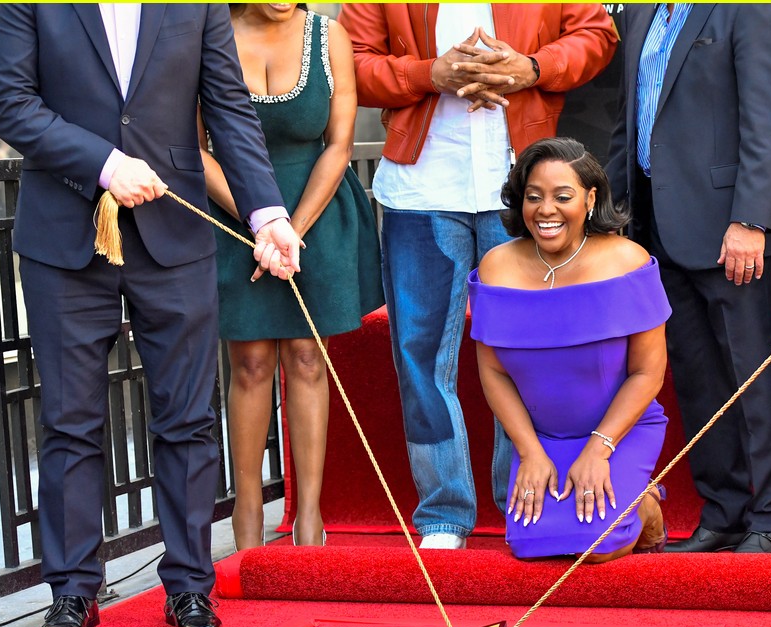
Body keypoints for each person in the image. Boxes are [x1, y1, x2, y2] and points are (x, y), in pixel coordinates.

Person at [0, 4, 303, 627]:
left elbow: (229, 110)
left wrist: (266, 214)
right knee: (69, 419)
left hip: (176, 238)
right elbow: (10, 103)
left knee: (185, 416)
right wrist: (103, 163)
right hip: (64, 237)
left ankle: (189, 584)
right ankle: (73, 589)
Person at [339, 3, 618, 551]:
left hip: (521, 192)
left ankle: (523, 497)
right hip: (419, 191)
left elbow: (596, 33)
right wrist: (429, 74)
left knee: (529, 354)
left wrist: (532, 69)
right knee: (421, 357)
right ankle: (443, 513)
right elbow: (351, 61)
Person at [607, 3, 771, 555]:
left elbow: (770, 117)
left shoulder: (749, 10)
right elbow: (630, 121)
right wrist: (616, 220)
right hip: (651, 228)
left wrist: (753, 219)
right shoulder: (642, 13)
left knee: (752, 375)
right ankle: (724, 513)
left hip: (728, 227)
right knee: (695, 376)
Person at [200, 4, 383, 552]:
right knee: (249, 361)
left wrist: (290, 230)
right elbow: (195, 148)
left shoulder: (329, 35)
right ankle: (248, 519)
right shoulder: (207, 32)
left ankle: (308, 518)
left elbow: (339, 145)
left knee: (307, 356)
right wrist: (258, 223)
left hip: (317, 212)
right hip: (231, 210)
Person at [470, 138, 669, 562]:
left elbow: (648, 373)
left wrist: (599, 449)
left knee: (594, 547)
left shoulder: (627, 260)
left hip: (618, 432)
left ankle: (648, 509)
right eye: (533, 196)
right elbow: (493, 372)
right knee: (530, 546)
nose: (546, 210)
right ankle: (619, 500)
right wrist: (529, 452)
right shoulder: (496, 266)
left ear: (590, 199)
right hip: (541, 439)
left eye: (563, 197)